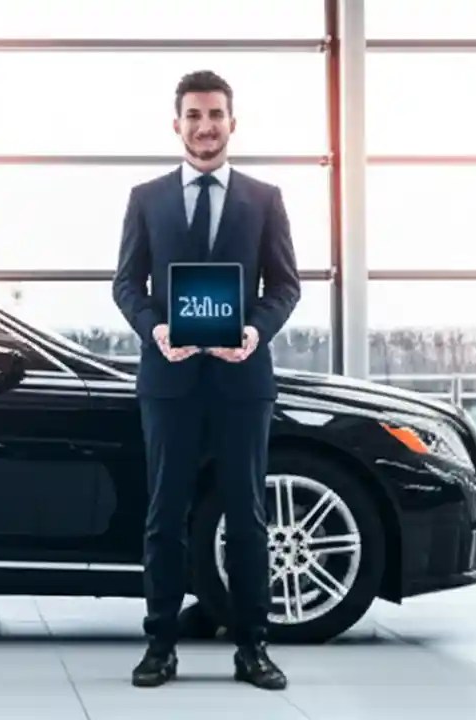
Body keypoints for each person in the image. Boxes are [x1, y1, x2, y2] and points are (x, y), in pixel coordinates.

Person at [112, 70, 301, 690]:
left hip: (242, 379)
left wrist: (255, 332)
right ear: (177, 125)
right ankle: (160, 644)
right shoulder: (147, 198)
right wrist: (154, 330)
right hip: (168, 378)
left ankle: (253, 647)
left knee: (246, 515)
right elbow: (126, 284)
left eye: (215, 113)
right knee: (164, 515)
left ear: (232, 122)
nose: (205, 125)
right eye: (193, 115)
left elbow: (285, 285)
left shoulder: (264, 198)